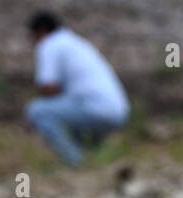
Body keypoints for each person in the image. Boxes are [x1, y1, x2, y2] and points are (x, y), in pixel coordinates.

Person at [24, 11, 130, 166]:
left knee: (37, 110)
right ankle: (94, 162)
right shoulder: (75, 42)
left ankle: (75, 163)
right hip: (118, 111)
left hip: (94, 109)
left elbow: (47, 87)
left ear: (41, 31)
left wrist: (31, 120)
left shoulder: (49, 44)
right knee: (64, 116)